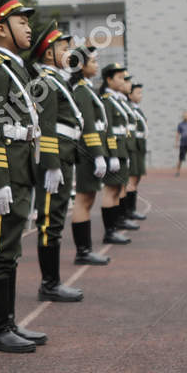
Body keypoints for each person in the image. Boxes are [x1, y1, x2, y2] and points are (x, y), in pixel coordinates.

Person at [0, 0, 47, 353]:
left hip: (21, 170)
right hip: (6, 175)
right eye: (21, 21)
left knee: (11, 249)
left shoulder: (16, 68)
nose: (28, 28)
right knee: (0, 249)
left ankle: (9, 322)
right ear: (2, 28)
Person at [27, 22, 83, 302]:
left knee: (57, 218)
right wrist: (50, 164)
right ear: (49, 53)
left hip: (63, 154)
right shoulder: (45, 82)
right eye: (64, 48)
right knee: (50, 220)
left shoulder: (58, 79)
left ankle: (53, 281)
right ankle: (49, 284)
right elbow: (46, 125)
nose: (69, 52)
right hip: (55, 157)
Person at [67, 47, 112, 266]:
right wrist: (97, 155)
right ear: (81, 66)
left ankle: (85, 250)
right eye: (92, 61)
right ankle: (83, 251)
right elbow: (89, 127)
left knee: (87, 200)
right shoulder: (82, 92)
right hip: (87, 153)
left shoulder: (86, 89)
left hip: (91, 153)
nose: (96, 64)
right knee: (83, 200)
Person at [98, 64, 136, 245]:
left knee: (116, 189)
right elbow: (108, 130)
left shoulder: (115, 100)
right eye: (119, 78)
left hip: (121, 150)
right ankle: (109, 231)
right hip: (114, 151)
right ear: (109, 80)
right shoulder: (106, 100)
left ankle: (114, 227)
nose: (123, 81)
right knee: (110, 190)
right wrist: (112, 154)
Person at [125, 80, 149, 222]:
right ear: (130, 94)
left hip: (139, 146)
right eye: (138, 92)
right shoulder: (129, 109)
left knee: (137, 178)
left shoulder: (137, 109)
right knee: (131, 179)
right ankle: (129, 211)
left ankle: (132, 209)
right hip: (133, 146)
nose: (140, 95)